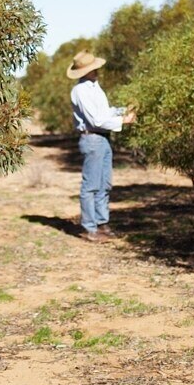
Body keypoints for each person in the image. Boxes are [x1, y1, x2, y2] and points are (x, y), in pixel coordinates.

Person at [66, 51, 136, 242]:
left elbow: (104, 112)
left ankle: (101, 223)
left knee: (104, 184)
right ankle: (89, 228)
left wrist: (121, 110)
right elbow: (96, 120)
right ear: (85, 70)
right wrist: (123, 120)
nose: (97, 70)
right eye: (93, 67)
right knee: (91, 186)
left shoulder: (95, 87)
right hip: (93, 139)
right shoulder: (80, 91)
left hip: (103, 139)